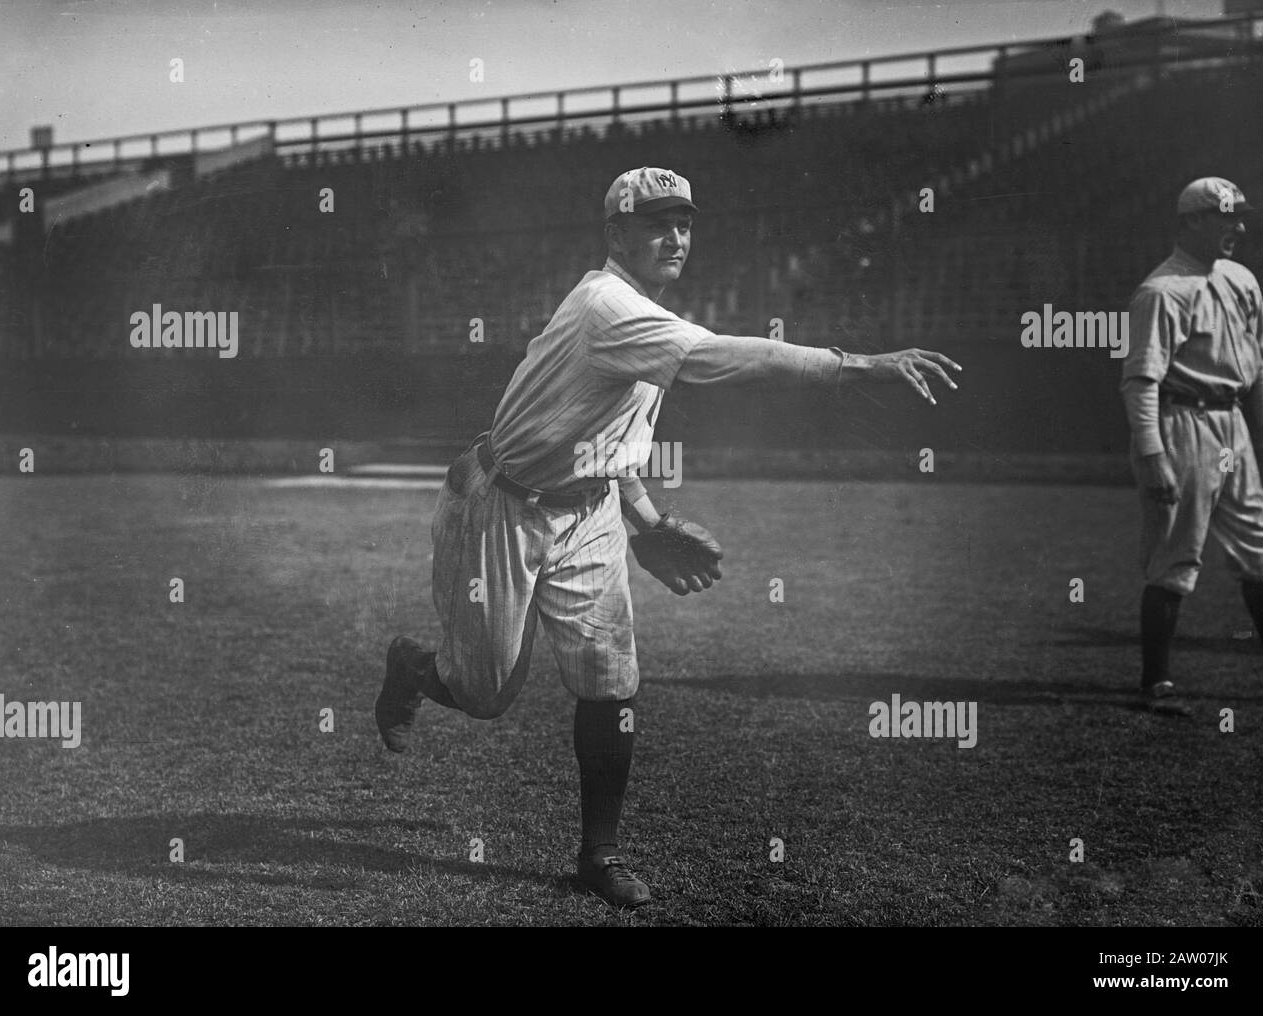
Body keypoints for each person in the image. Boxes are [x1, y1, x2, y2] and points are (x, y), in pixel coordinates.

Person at [376, 166, 962, 907]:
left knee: (612, 680)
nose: (676, 236)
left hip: (588, 512)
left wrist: (645, 521)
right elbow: (724, 358)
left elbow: (607, 446)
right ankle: (413, 667)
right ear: (617, 234)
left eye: (684, 222)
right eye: (656, 223)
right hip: (503, 504)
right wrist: (856, 365)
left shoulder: (647, 318)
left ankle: (599, 854)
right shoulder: (608, 305)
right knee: (485, 691)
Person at [1121, 176, 1263, 714]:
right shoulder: (1161, 291)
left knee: (1262, 548)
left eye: (1238, 216)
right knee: (1176, 552)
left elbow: (1260, 364)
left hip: (1231, 419)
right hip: (1182, 422)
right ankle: (1156, 681)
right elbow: (1140, 381)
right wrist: (1152, 454)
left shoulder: (1241, 279)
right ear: (1189, 222)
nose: (1236, 227)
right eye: (1222, 217)